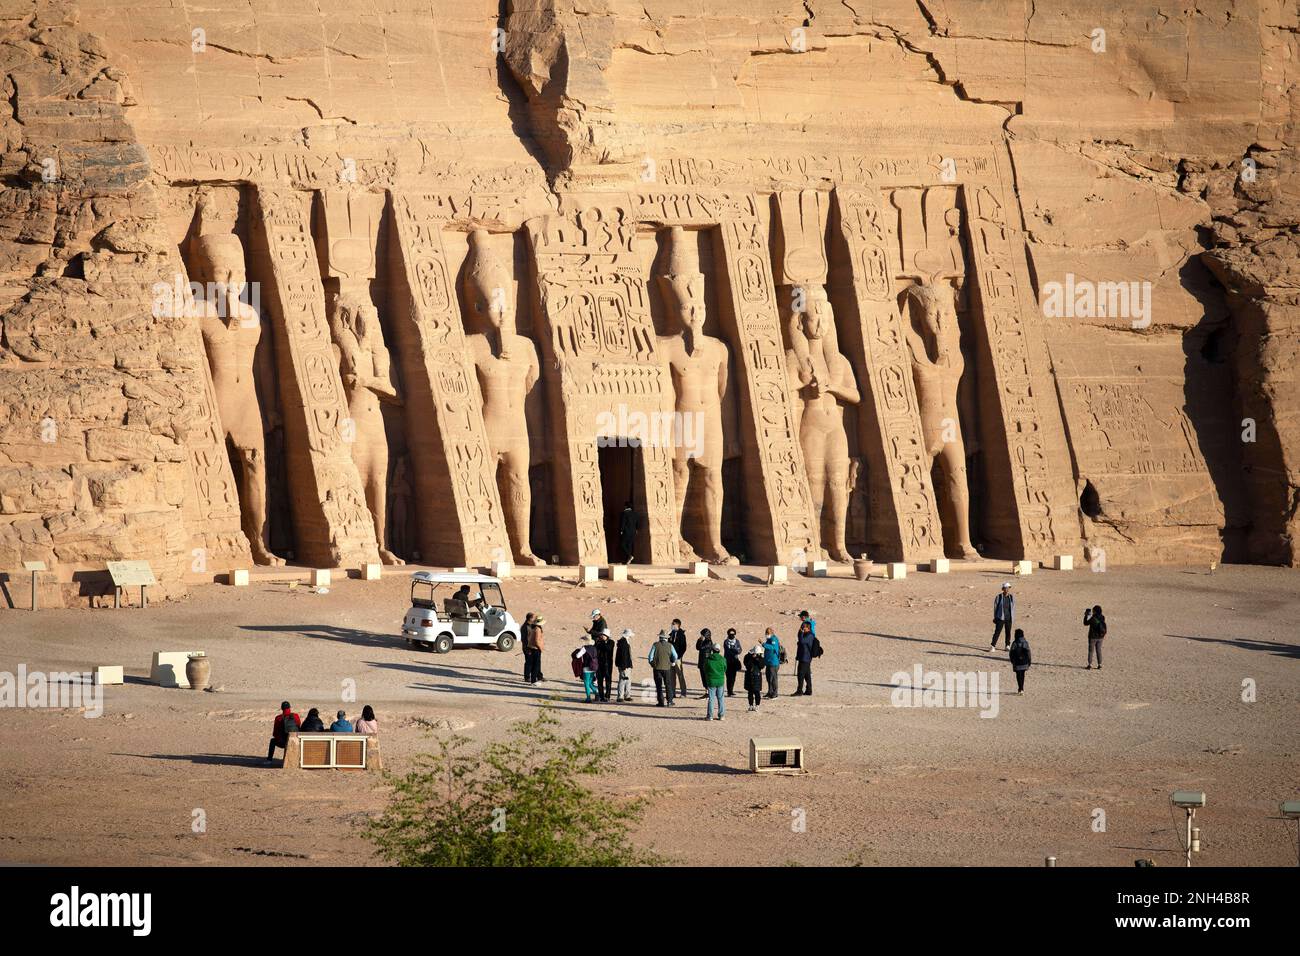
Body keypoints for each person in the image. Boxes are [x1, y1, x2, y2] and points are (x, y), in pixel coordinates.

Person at [648, 629, 679, 707]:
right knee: (668, 684)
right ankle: (670, 701)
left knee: (658, 685)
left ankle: (661, 702)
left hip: (657, 668)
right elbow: (675, 656)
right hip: (667, 668)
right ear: (666, 638)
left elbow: (650, 657)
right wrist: (673, 662)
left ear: (660, 637)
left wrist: (653, 664)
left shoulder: (655, 645)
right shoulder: (670, 645)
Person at [702, 642, 727, 721]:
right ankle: (721, 715)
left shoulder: (708, 659)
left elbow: (705, 669)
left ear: (712, 650)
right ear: (719, 650)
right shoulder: (723, 659)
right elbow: (725, 668)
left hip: (711, 681)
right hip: (720, 681)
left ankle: (710, 716)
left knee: (711, 699)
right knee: (721, 698)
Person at [989, 582, 1015, 650]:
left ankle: (1007, 645)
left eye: (1008, 588)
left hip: (1009, 618)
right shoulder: (999, 597)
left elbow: (1012, 607)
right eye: (1005, 588)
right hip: (1000, 618)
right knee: (997, 632)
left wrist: (1012, 617)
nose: (1007, 589)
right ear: (1003, 589)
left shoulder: (1011, 597)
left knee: (1008, 632)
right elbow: (995, 608)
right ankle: (993, 646)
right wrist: (995, 617)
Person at [573, 635, 597, 702]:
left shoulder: (584, 648)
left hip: (586, 667)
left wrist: (578, 651)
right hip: (594, 667)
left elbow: (578, 656)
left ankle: (588, 698)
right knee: (590, 682)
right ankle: (596, 693)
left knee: (586, 682)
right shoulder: (594, 648)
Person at [793, 620, 815, 696]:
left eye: (803, 627)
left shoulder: (810, 635)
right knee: (807, 675)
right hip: (803, 657)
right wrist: (800, 632)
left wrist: (801, 633)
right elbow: (800, 639)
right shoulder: (806, 634)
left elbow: (802, 641)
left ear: (808, 628)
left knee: (800, 674)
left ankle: (799, 691)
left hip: (805, 658)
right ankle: (809, 690)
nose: (802, 628)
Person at [669, 618, 689, 697]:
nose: (672, 625)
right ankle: (672, 692)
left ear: (677, 625)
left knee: (680, 675)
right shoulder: (671, 634)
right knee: (671, 676)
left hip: (678, 658)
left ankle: (683, 692)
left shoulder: (681, 635)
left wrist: (678, 657)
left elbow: (684, 647)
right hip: (670, 658)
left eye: (673, 624)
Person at [743, 644, 766, 712]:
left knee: (757, 692)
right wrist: (751, 657)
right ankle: (750, 705)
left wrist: (757, 659)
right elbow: (746, 664)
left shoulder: (761, 658)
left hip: (757, 676)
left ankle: (757, 705)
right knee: (750, 692)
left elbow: (762, 666)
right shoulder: (748, 657)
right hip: (749, 676)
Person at [1008, 628, 1032, 694]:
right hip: (1024, 662)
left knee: (1018, 676)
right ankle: (1022, 688)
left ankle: (1020, 688)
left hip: (1017, 663)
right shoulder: (1025, 642)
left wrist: (1012, 661)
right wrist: (1029, 661)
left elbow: (1011, 653)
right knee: (1023, 675)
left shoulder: (1014, 643)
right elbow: (1028, 653)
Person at [595, 628, 616, 702]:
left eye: (603, 635)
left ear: (607, 636)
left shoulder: (611, 642)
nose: (602, 636)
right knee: (599, 681)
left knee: (608, 680)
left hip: (608, 664)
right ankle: (601, 696)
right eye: (601, 635)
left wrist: (603, 642)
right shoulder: (598, 642)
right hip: (599, 664)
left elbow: (607, 648)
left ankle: (607, 696)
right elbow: (596, 650)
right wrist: (599, 642)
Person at [1084, 604, 1107, 669]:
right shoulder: (1102, 617)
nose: (1092, 611)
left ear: (1095, 611)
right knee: (1099, 650)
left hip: (1092, 637)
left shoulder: (1093, 618)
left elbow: (1085, 623)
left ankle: (1090, 664)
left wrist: (1086, 615)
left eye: (1093, 610)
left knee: (1091, 651)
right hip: (1100, 637)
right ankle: (1099, 664)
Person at [695, 628, 716, 699]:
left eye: (702, 635)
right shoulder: (702, 640)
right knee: (703, 678)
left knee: (707, 678)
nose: (701, 636)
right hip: (701, 662)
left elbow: (701, 647)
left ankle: (709, 693)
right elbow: (697, 647)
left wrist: (701, 640)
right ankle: (706, 692)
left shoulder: (709, 642)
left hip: (706, 663)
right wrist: (700, 640)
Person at [762, 627, 782, 699]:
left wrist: (763, 644)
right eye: (766, 633)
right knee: (768, 678)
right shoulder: (769, 639)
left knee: (773, 678)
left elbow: (772, 647)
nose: (766, 634)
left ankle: (775, 693)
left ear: (771, 633)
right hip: (768, 662)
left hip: (773, 663)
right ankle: (770, 692)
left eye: (768, 633)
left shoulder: (774, 639)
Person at [722, 628, 743, 697]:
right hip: (728, 662)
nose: (732, 635)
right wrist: (735, 650)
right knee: (729, 677)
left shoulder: (737, 641)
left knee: (733, 677)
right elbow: (728, 651)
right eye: (730, 634)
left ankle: (731, 690)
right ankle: (729, 691)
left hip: (734, 662)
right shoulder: (726, 641)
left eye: (733, 634)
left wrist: (735, 650)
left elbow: (740, 650)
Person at [615, 628, 634, 702]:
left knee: (627, 680)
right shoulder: (623, 643)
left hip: (626, 664)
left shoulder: (624, 641)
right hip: (624, 665)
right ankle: (620, 696)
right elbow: (623, 656)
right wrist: (624, 666)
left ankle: (627, 695)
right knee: (623, 680)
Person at [520, 612, 536, 682]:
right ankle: (527, 677)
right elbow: (524, 639)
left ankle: (535, 675)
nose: (534, 619)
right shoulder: (525, 627)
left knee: (533, 662)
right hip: (527, 648)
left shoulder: (531, 625)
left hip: (531, 647)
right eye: (533, 618)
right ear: (530, 618)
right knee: (528, 662)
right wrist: (527, 649)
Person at [530, 616, 546, 683]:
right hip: (536, 649)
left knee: (536, 664)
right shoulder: (537, 630)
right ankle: (533, 680)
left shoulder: (536, 628)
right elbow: (536, 641)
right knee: (536, 665)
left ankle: (538, 677)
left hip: (535, 648)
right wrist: (540, 648)